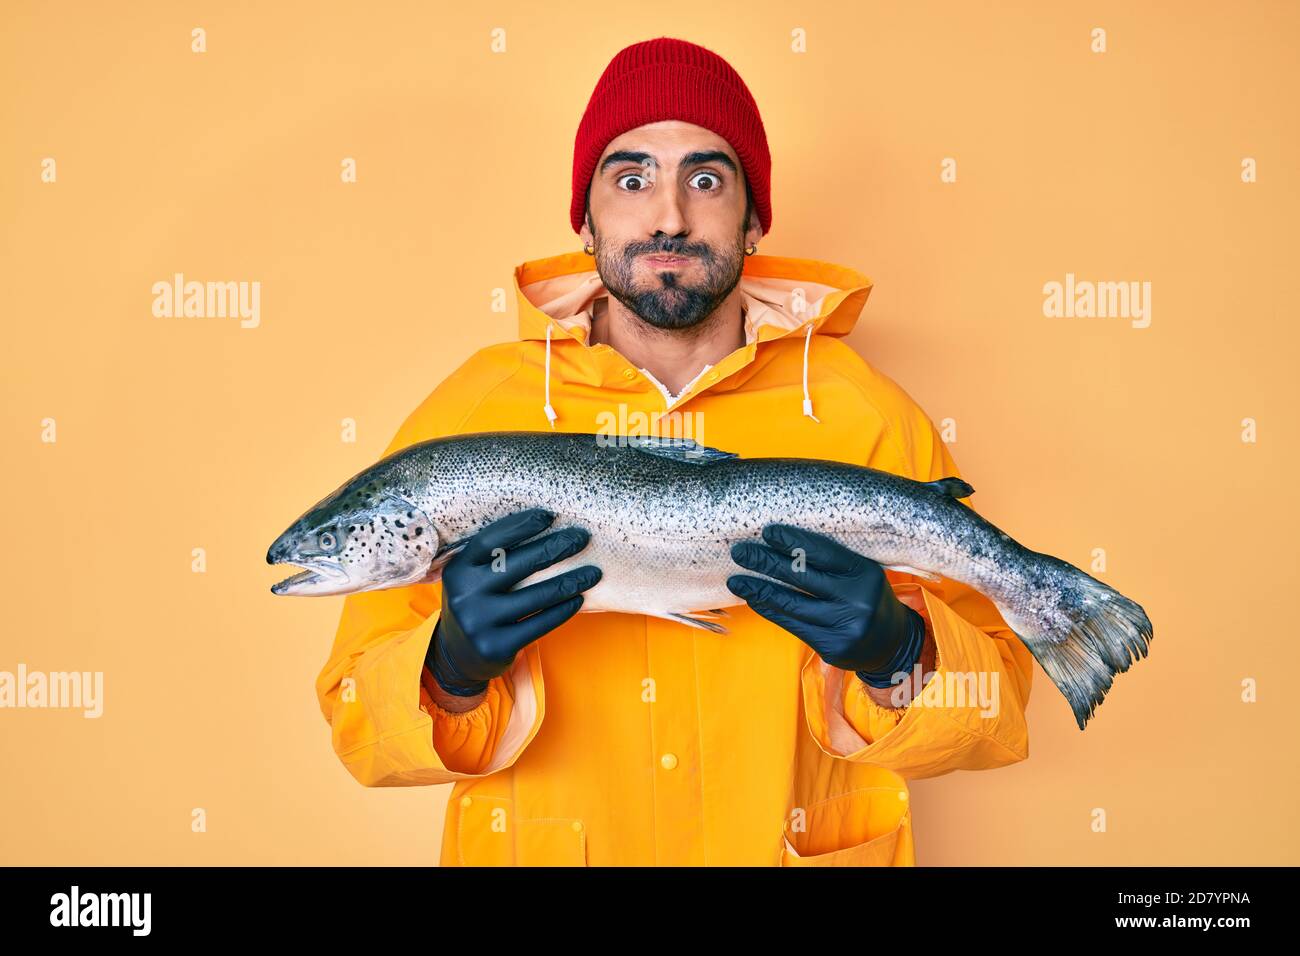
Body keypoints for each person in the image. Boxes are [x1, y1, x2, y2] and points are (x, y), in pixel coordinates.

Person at [315, 36, 1032, 866]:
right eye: (631, 179)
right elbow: (358, 728)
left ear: (753, 218)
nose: (668, 217)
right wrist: (447, 671)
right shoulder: (471, 416)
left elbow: (996, 714)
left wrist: (901, 657)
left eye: (705, 179)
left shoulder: (865, 413)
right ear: (584, 219)